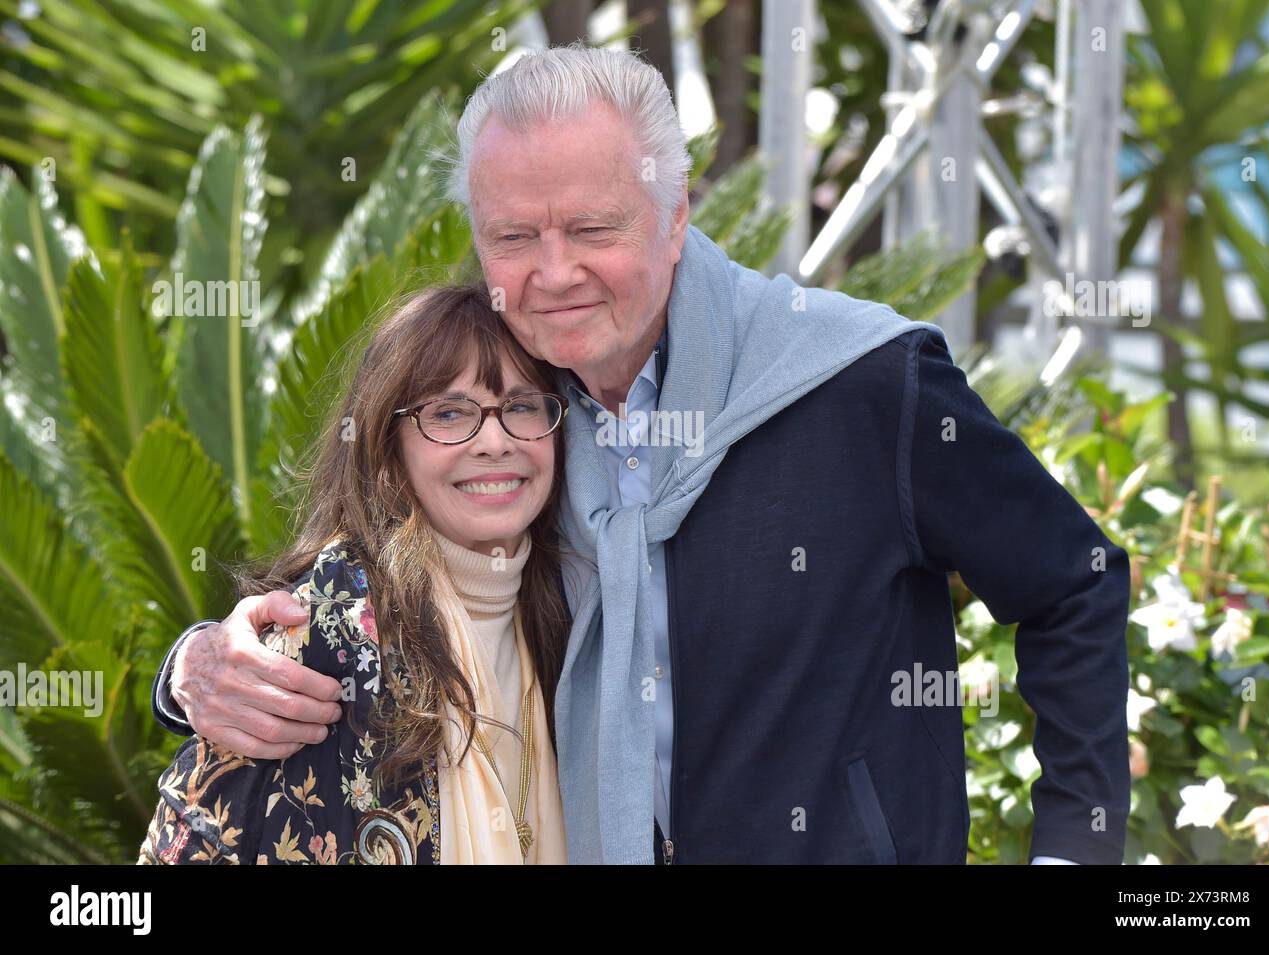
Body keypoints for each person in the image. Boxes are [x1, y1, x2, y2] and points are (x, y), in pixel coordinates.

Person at [150, 45, 1132, 865]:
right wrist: (195, 665)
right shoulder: (510, 410)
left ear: (676, 216)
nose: (553, 272)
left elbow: (1073, 581)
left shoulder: (863, 379)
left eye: (591, 229)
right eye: (513, 236)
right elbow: (369, 584)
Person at [139, 284, 571, 864]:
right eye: (448, 412)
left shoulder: (576, 605)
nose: (495, 442)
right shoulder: (330, 630)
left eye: (521, 405)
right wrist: (184, 670)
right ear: (387, 445)